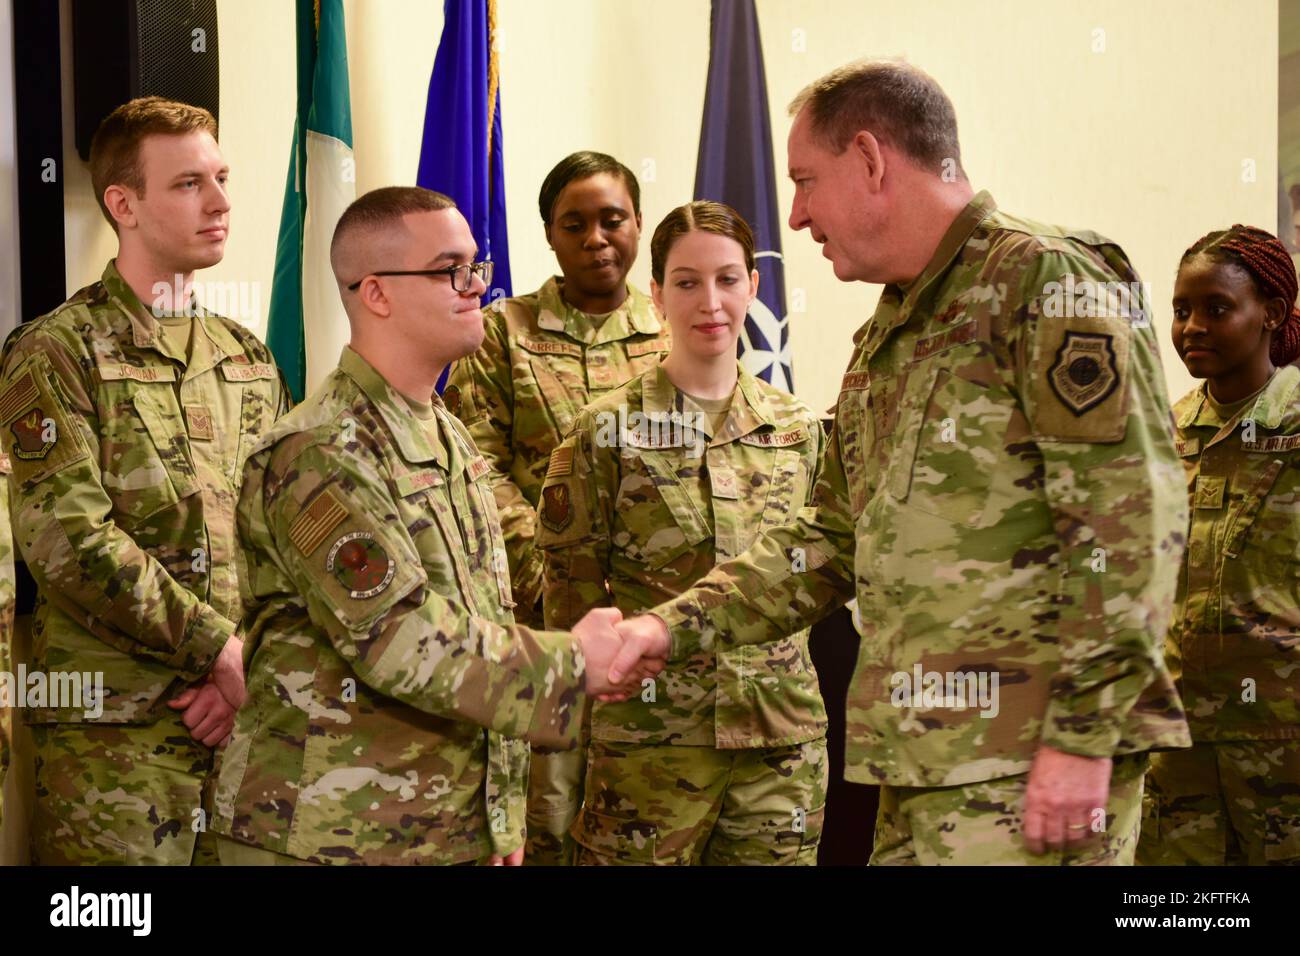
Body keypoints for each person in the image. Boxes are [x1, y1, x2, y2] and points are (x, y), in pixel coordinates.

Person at [610, 58, 1191, 865]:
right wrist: (662, 629)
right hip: (918, 766)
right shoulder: (888, 337)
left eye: (807, 180)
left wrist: (1085, 740)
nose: (797, 214)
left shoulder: (1047, 281)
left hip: (1028, 769)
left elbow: (1133, 517)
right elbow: (824, 543)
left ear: (872, 159)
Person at [211, 186, 660, 866]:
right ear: (376, 294)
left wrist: (498, 818)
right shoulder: (319, 451)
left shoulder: (446, 434)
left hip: (439, 831)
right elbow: (399, 636)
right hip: (329, 838)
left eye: (475, 267)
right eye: (450, 269)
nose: (475, 286)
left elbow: (480, 612)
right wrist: (573, 662)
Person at [0, 96, 288, 864]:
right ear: (123, 204)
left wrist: (241, 669)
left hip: (241, 725)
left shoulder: (247, 356)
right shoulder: (57, 351)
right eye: (190, 183)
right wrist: (217, 651)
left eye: (222, 176)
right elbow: (66, 537)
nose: (223, 201)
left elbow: (285, 533)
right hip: (118, 744)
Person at [536, 201, 828, 865]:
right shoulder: (603, 432)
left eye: (728, 279)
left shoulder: (797, 429)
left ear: (755, 285)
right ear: (657, 295)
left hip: (779, 746)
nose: (711, 302)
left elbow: (817, 572)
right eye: (688, 282)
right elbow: (572, 610)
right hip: (649, 749)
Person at [448, 151, 671, 864]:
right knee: (543, 818)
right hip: (537, 625)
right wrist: (550, 567)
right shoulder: (501, 333)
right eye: (575, 224)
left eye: (613, 220)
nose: (596, 238)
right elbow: (475, 466)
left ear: (639, 224)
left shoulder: (677, 331)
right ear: (548, 234)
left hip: (650, 626)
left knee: (645, 819)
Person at [1137, 225, 1300, 865]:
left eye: (1216, 308)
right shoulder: (1162, 431)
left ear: (1273, 314)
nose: (1192, 327)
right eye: (1181, 310)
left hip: (1284, 739)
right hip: (1181, 742)